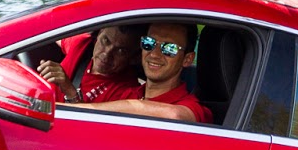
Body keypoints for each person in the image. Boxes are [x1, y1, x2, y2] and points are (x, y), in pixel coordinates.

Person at [79, 21, 210, 123]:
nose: (154, 54)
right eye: (149, 43)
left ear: (187, 59)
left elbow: (175, 116)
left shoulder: (193, 107)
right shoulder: (126, 94)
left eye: (169, 48)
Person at [37, 24, 143, 103]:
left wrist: (69, 90)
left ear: (134, 58)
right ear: (99, 34)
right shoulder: (83, 45)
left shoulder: (128, 95)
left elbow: (86, 130)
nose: (106, 54)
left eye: (120, 51)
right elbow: (50, 27)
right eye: (106, 41)